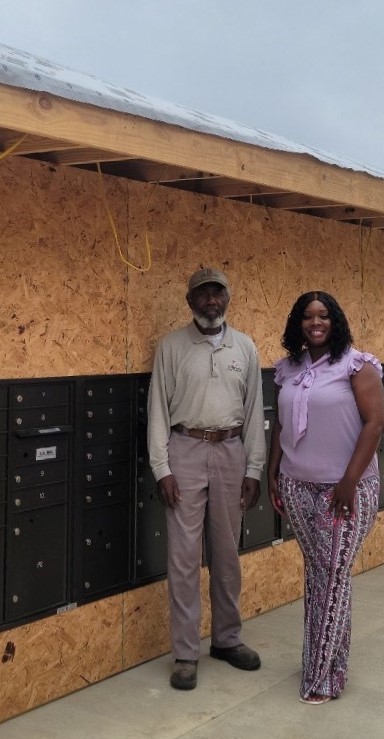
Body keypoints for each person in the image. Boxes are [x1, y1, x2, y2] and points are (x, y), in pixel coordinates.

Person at [148, 267, 266, 691]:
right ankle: (185, 652)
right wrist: (162, 468)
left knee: (227, 554)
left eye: (217, 292)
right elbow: (158, 410)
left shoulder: (245, 348)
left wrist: (254, 468)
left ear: (228, 298)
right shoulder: (172, 347)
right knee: (183, 558)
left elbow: (254, 413)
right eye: (202, 294)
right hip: (186, 449)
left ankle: (227, 640)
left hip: (231, 451)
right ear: (190, 302)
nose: (210, 300)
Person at [267, 290, 384, 705]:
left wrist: (349, 481)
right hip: (297, 484)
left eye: (323, 316)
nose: (315, 323)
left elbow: (374, 424)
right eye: (306, 317)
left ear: (335, 320)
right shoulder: (288, 369)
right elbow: (282, 428)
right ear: (297, 324)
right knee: (320, 575)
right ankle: (331, 664)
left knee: (333, 575)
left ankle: (318, 676)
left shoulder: (358, 365)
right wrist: (272, 473)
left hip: (346, 490)